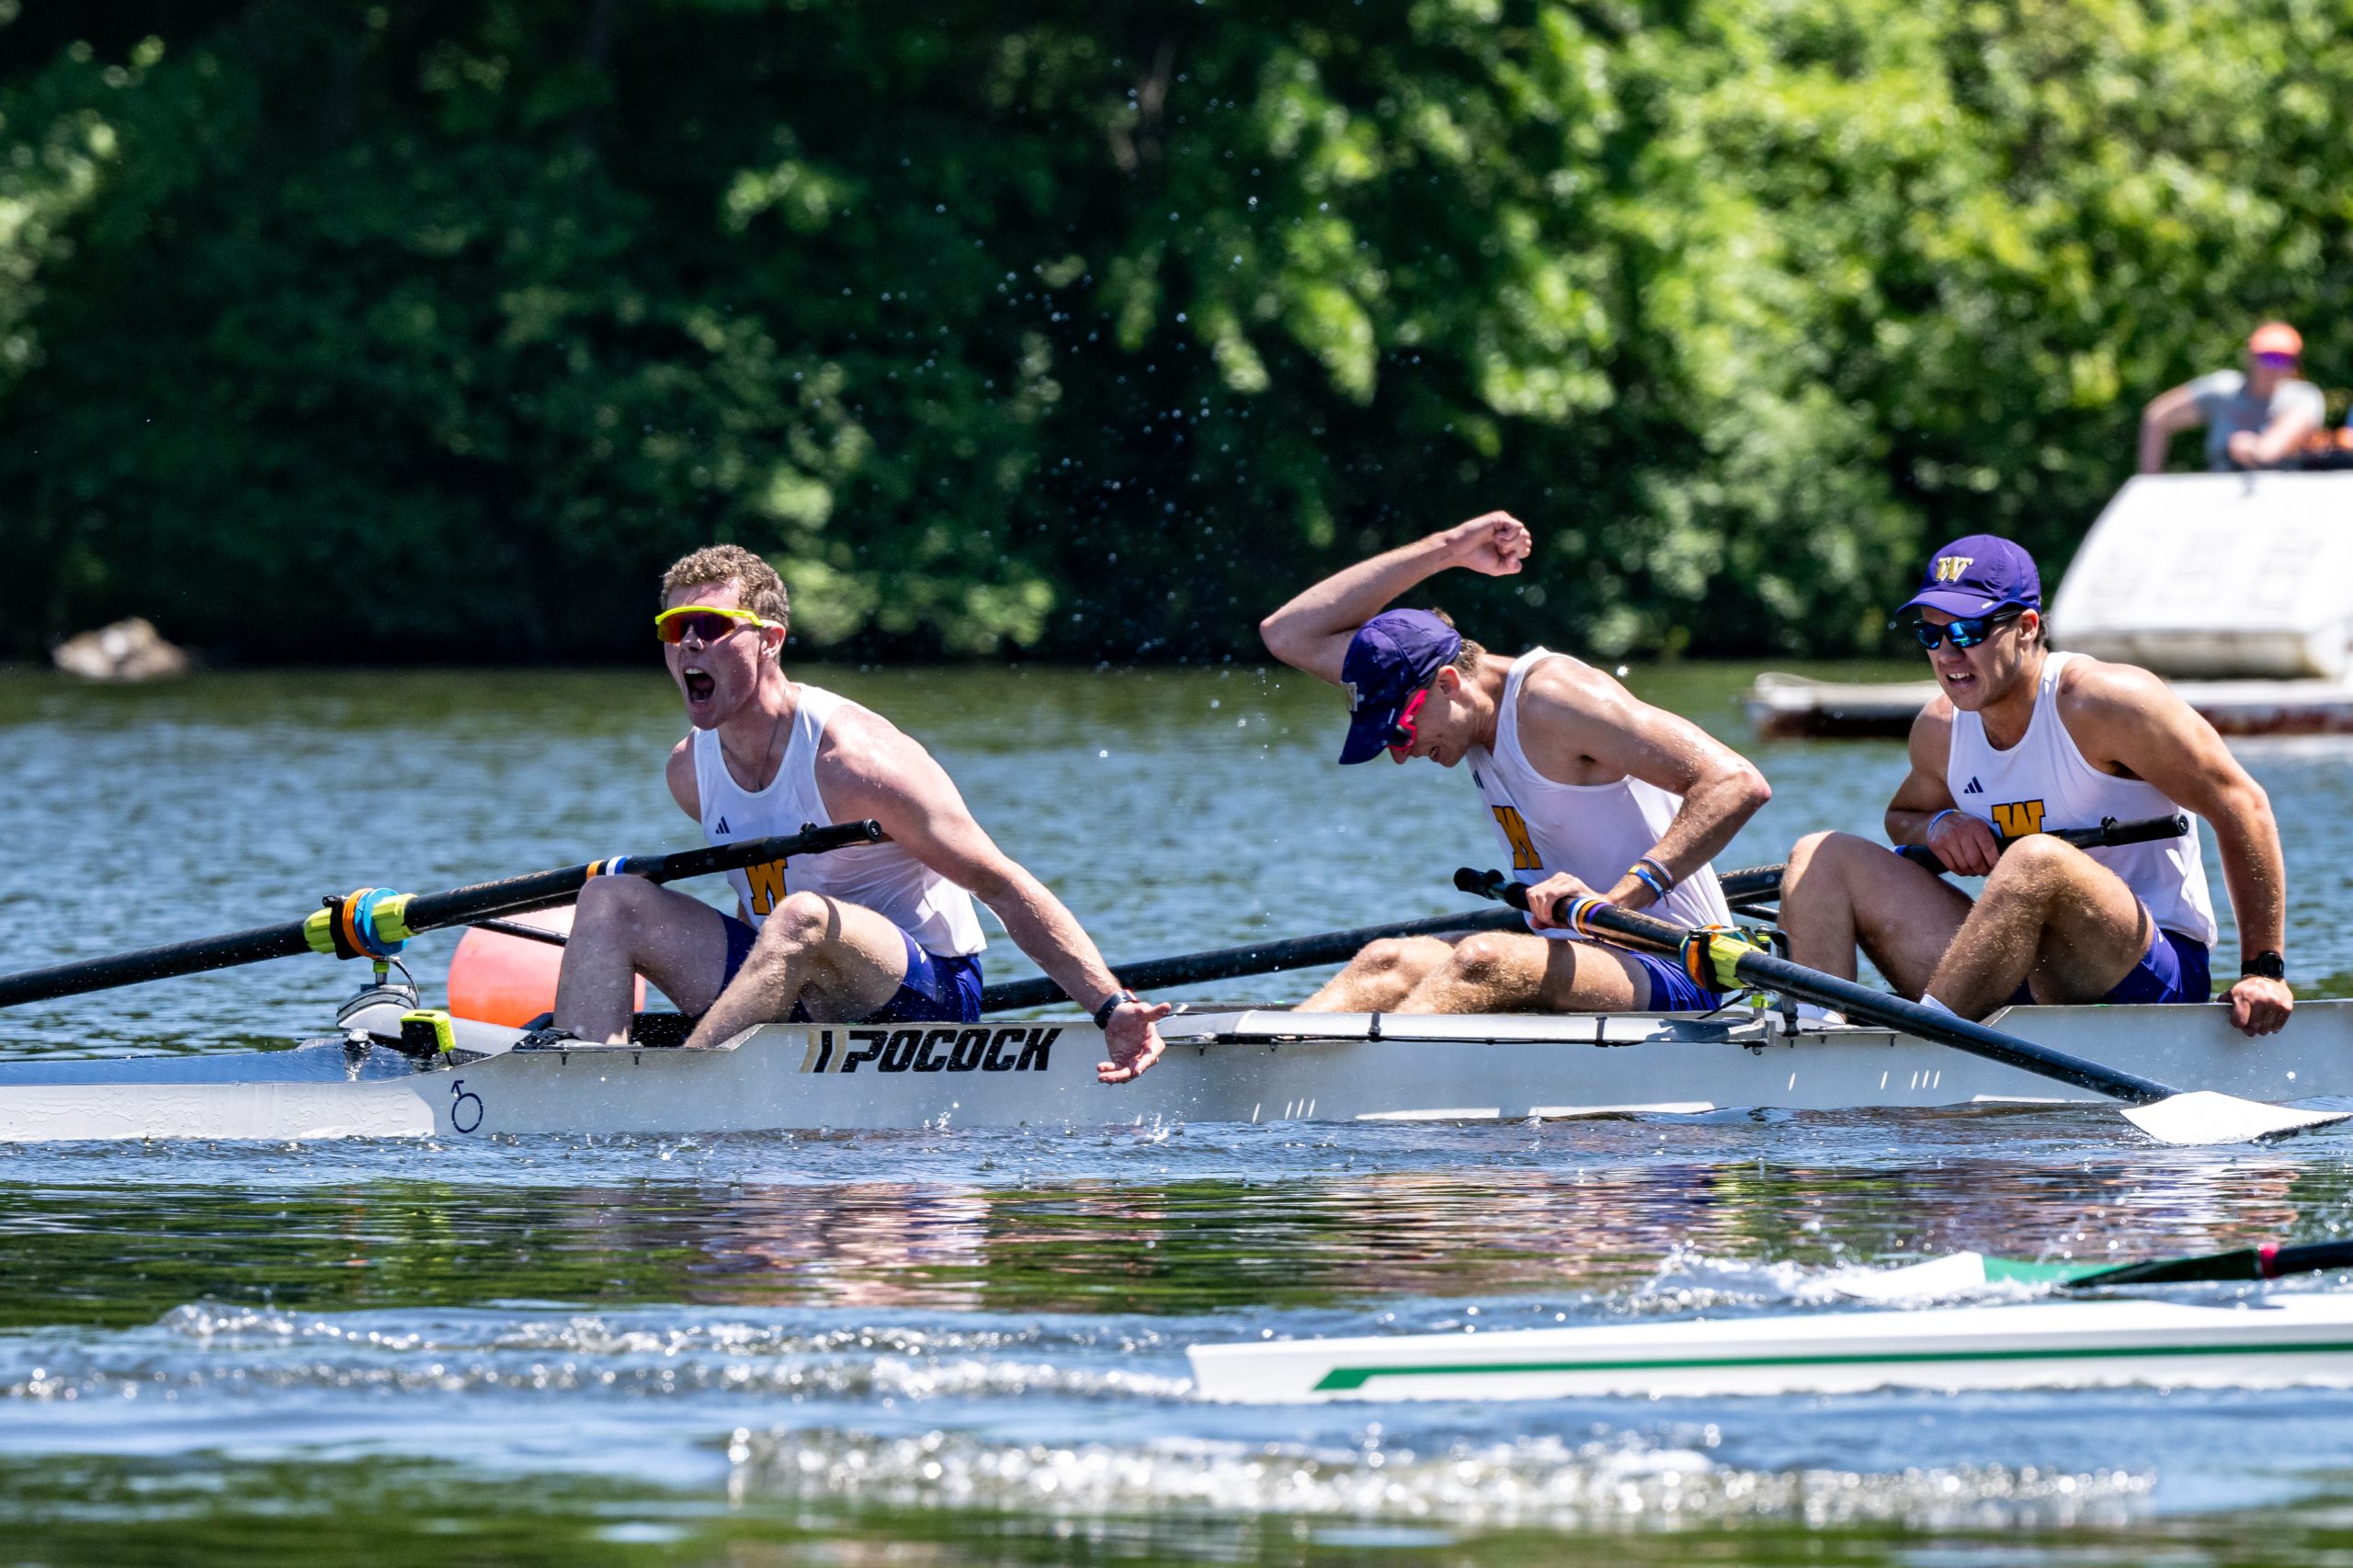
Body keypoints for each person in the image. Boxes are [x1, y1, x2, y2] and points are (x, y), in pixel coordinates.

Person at [529, 545, 1170, 1082]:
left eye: (712, 626)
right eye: (676, 629)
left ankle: (686, 1089)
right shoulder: (687, 771)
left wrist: (1109, 1006)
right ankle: (589, 1083)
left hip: (926, 996)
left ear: (770, 641)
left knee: (802, 917)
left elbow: (999, 884)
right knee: (609, 898)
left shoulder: (854, 762)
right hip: (790, 981)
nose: (689, 644)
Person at [1257, 512, 1773, 1015]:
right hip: (1573, 947)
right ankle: (1277, 1071)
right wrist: (1451, 548)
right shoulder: (1445, 701)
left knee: (1483, 959)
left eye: (1400, 730)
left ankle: (1369, 1087)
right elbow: (1288, 634)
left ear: (1447, 684)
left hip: (1676, 959)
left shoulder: (1554, 699)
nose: (1401, 753)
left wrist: (1617, 900)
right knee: (1384, 960)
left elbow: (1736, 782)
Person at [1777, 534, 2292, 1036]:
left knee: (2035, 859)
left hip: (2148, 972)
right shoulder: (1940, 730)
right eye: (1931, 636)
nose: (1946, 655)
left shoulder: (2105, 703)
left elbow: (2243, 805)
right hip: (2014, 966)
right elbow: (1902, 817)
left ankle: (1930, 1041)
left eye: (1966, 633)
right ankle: (1818, 1039)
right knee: (1822, 856)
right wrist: (1940, 824)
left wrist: (2263, 970)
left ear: (2025, 626)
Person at [2138, 322, 2325, 473]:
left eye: (2283, 359)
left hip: (2283, 496)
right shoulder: (2224, 390)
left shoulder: (2302, 397)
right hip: (2222, 493)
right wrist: (2151, 480)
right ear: (2249, 357)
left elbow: (2273, 448)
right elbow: (2157, 416)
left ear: (2295, 365)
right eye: (2267, 357)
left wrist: (2252, 449)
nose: (2274, 367)